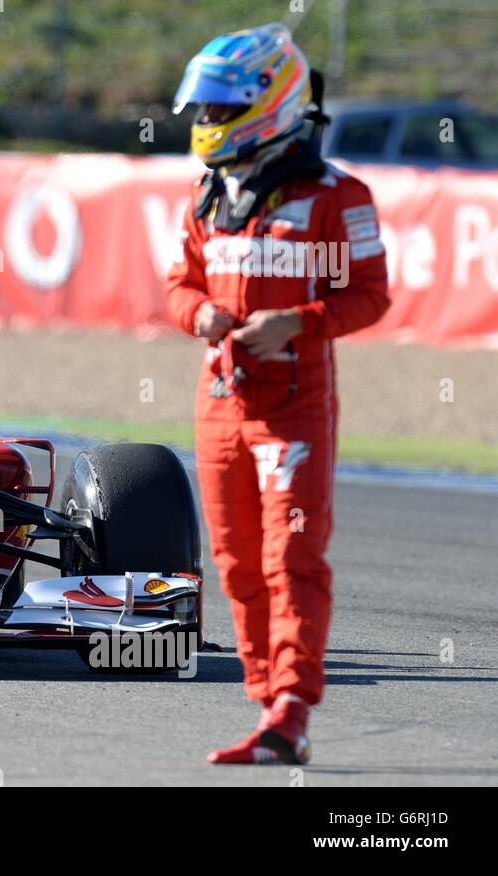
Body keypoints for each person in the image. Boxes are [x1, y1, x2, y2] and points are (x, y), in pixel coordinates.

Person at [165, 24, 390, 765]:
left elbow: (370, 297)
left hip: (294, 406)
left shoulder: (338, 195)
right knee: (231, 564)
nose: (203, 123)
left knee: (290, 557)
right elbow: (178, 284)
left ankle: (292, 711)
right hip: (218, 404)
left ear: (270, 104)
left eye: (215, 109)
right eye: (198, 110)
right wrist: (198, 313)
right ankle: (267, 708)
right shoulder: (207, 195)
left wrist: (298, 322)